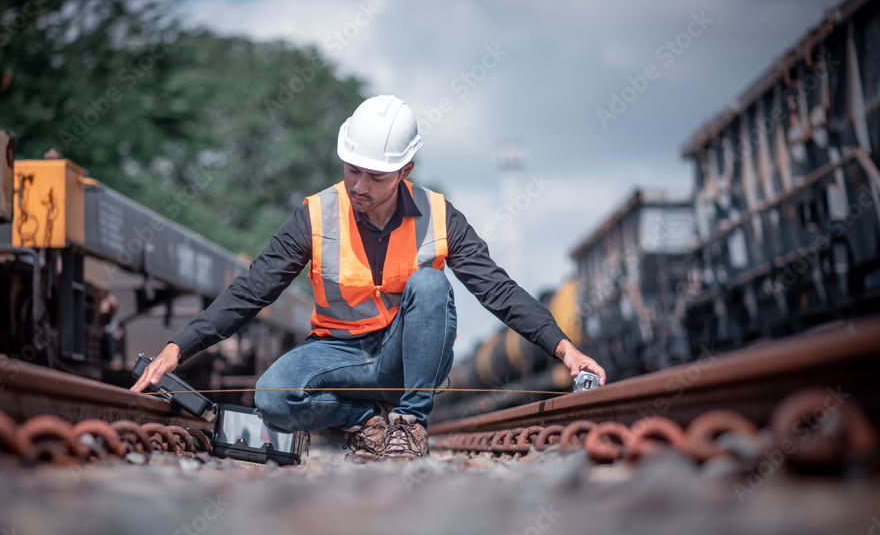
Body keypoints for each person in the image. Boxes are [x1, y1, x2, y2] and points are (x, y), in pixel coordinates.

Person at [131, 95, 606, 462]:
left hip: (406, 358)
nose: (359, 186)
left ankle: (410, 425)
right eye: (352, 170)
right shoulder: (316, 214)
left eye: (376, 177)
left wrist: (565, 350)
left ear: (405, 171)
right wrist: (178, 348)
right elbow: (254, 288)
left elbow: (497, 289)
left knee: (431, 283)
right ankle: (366, 423)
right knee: (271, 397)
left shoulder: (440, 215)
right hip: (338, 353)